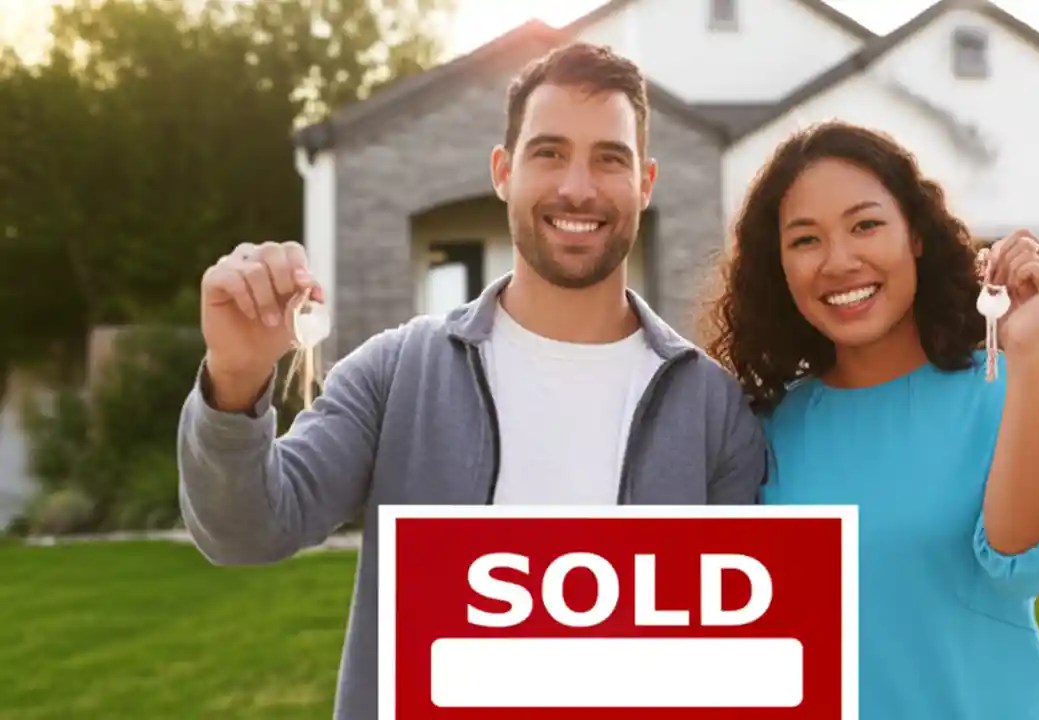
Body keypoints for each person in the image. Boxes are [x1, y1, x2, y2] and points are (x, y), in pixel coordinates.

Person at [178, 42, 767, 719]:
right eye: (549, 153)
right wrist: (235, 376)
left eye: (610, 158)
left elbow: (735, 657)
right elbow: (245, 531)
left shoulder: (712, 409)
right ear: (503, 171)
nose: (577, 187)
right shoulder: (398, 374)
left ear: (645, 182)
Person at [700, 119, 1039, 719]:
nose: (839, 261)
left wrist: (1030, 349)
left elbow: (1027, 566)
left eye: (866, 225)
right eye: (805, 240)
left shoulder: (1011, 375)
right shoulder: (768, 423)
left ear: (915, 234)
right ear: (777, 265)